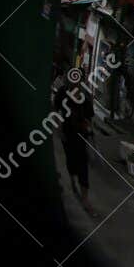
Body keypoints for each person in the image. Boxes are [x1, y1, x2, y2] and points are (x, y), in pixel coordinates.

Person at [53, 73, 95, 215]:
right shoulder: (63, 92)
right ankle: (72, 178)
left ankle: (85, 198)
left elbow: (90, 115)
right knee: (71, 160)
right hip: (67, 133)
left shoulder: (85, 95)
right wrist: (59, 128)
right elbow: (56, 109)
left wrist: (88, 127)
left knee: (83, 164)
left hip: (81, 134)